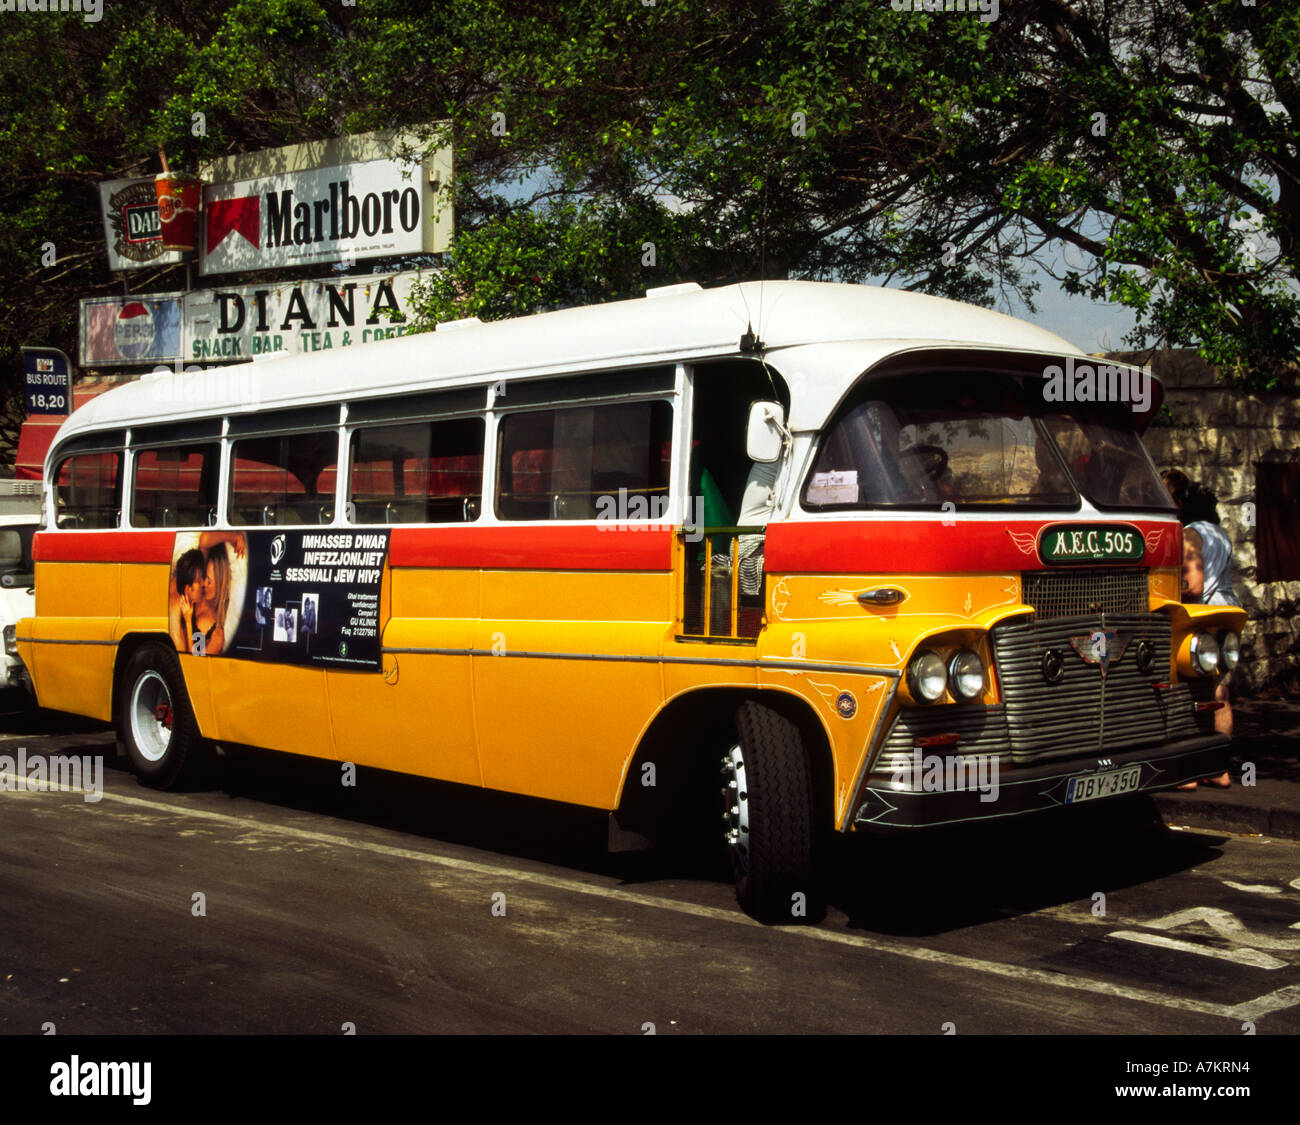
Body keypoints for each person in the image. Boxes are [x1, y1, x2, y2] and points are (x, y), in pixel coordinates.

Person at [1162, 469, 1237, 789]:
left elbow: (1193, 585)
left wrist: (1164, 589)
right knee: (1221, 693)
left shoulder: (1190, 534)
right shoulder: (1219, 532)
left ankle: (1187, 773)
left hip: (1203, 616)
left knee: (1187, 693)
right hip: (1228, 611)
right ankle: (1218, 768)